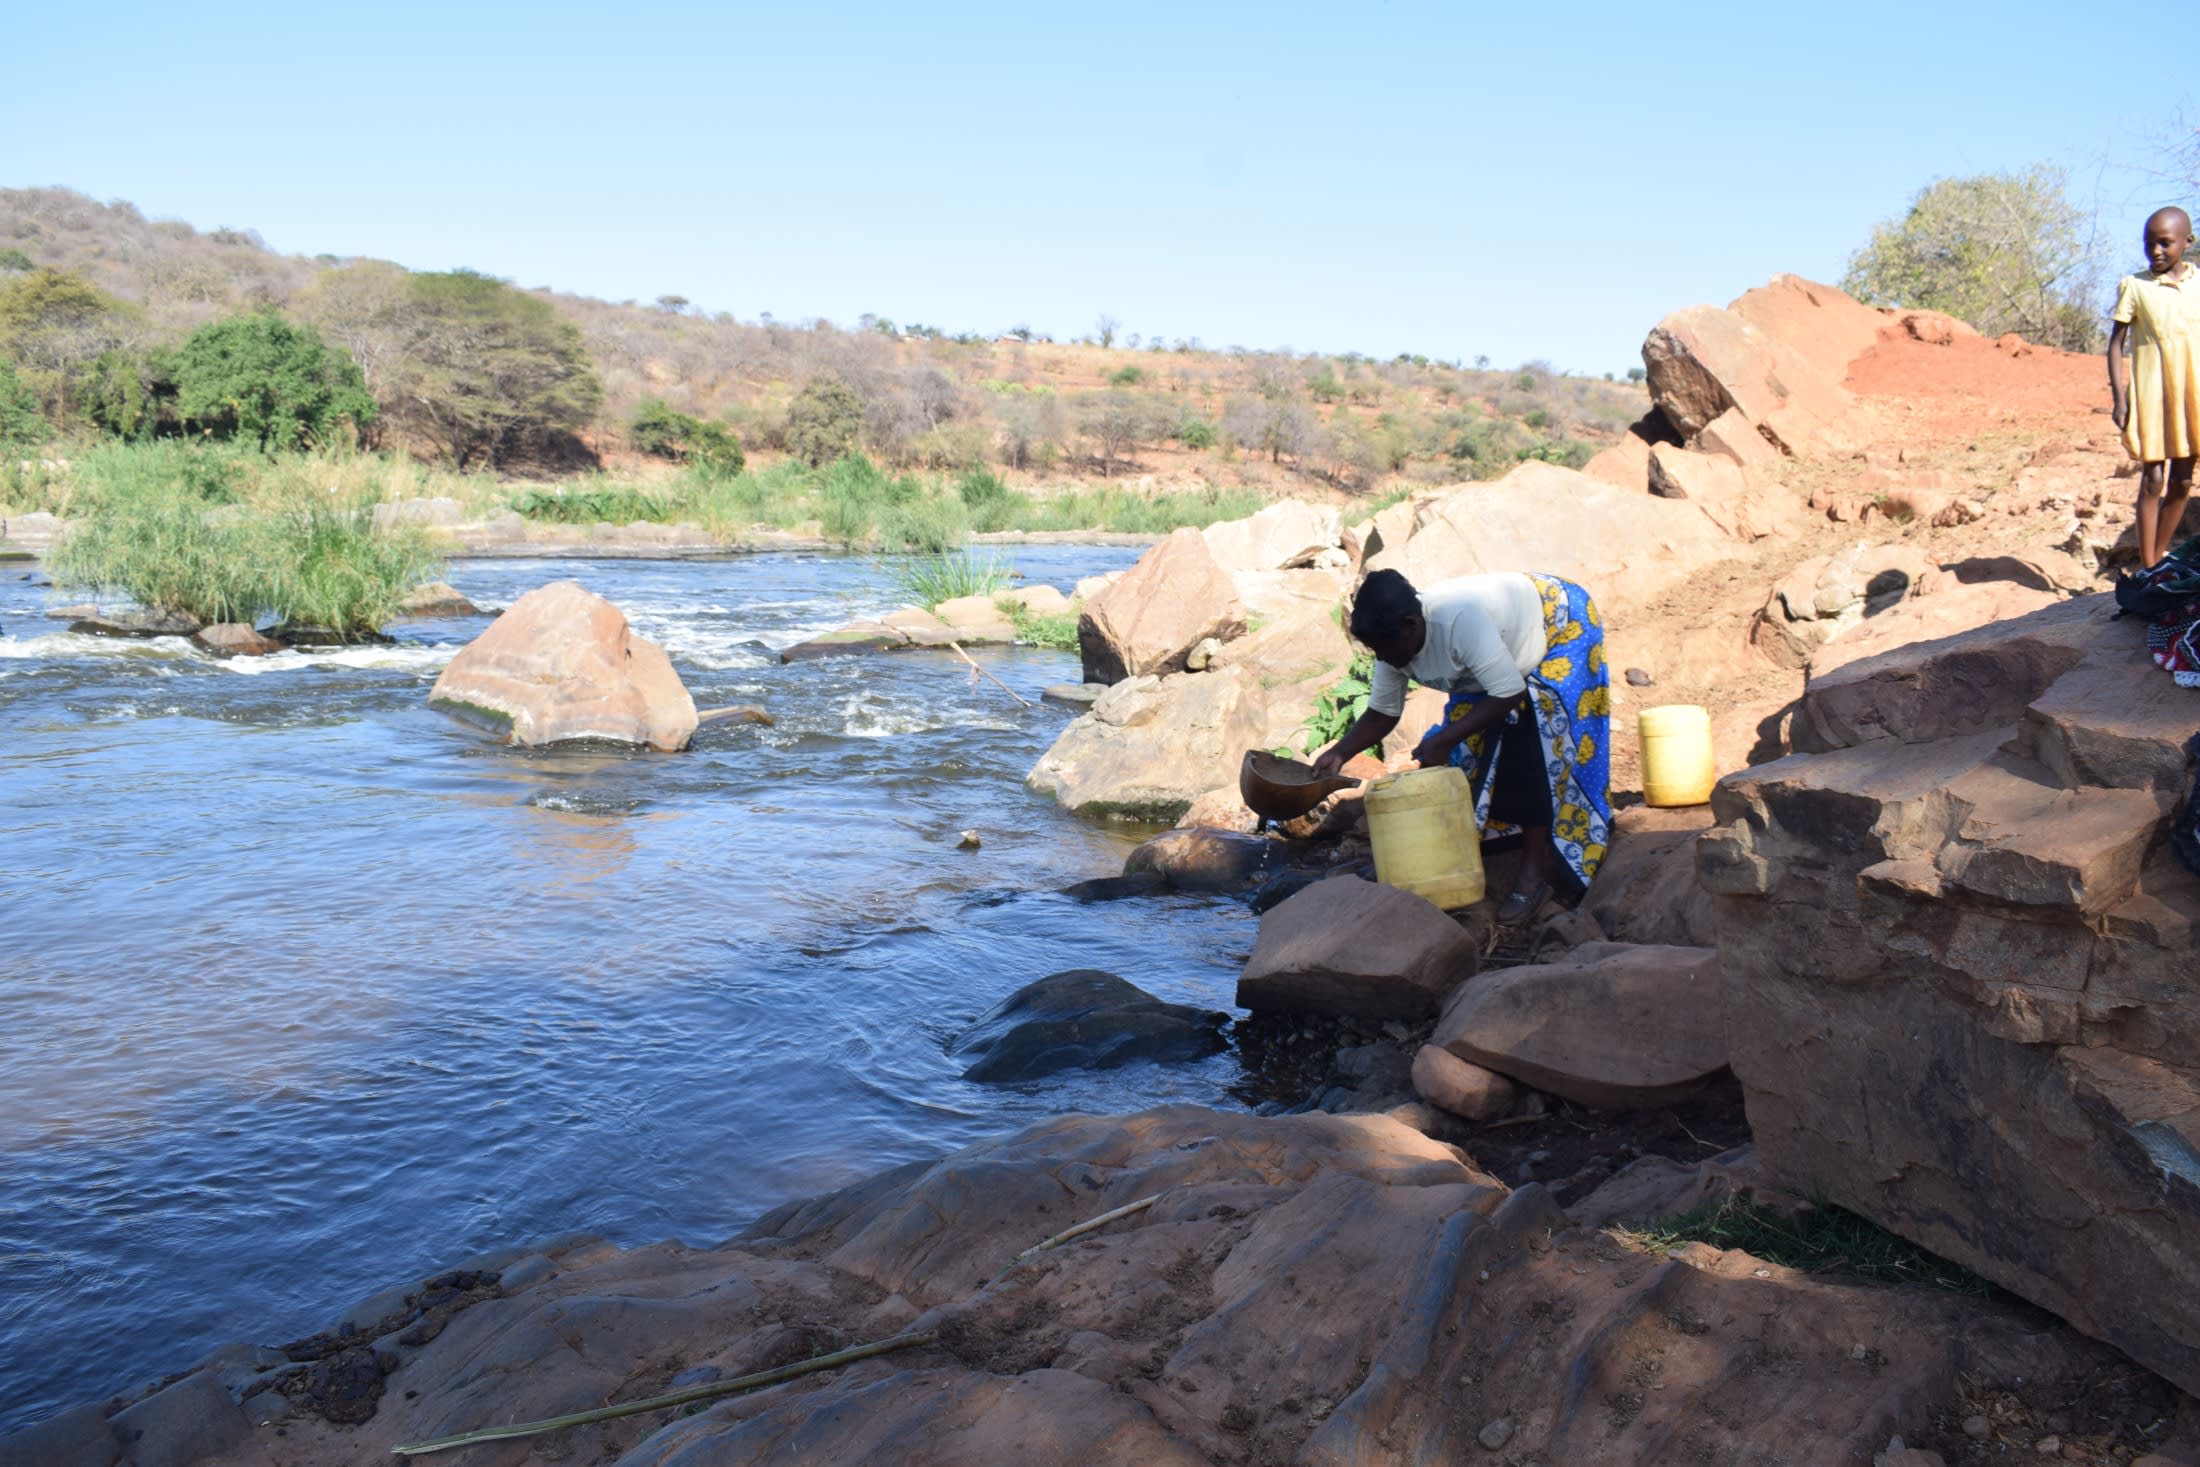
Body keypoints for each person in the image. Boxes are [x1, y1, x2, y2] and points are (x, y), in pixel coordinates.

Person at [1312, 568, 1611, 924]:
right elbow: (1382, 712)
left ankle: (1535, 872)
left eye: (1384, 647)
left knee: (1535, 737)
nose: (1383, 658)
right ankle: (1445, 852)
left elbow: (1509, 692)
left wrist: (1446, 736)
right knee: (1462, 752)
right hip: (1501, 668)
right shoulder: (1391, 644)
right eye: (1375, 650)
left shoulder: (1460, 622)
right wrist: (1340, 752)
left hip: (1558, 628)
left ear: (1412, 624)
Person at [2110, 205, 2200, 568]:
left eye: (2165, 243)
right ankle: (2149, 568)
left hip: (2191, 395)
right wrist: (2119, 398)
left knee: (2181, 480)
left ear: (2187, 242)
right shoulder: (2135, 286)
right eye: (2150, 245)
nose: (2156, 252)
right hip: (2152, 396)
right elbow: (2116, 344)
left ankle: (2158, 559)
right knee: (2153, 478)